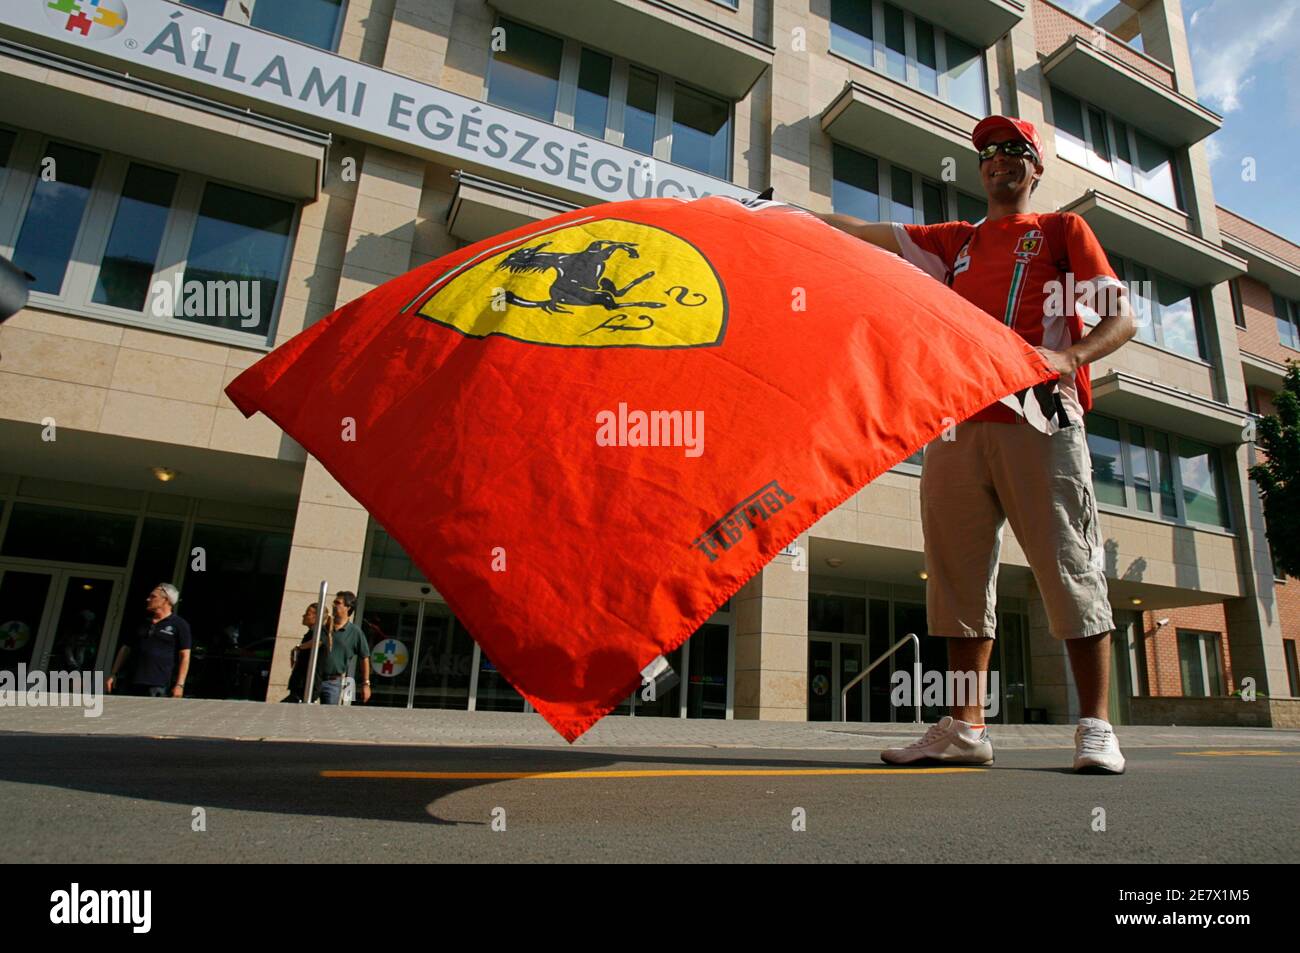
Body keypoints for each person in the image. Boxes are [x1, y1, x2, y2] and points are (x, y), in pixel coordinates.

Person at [810, 116, 1136, 773]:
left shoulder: (1061, 232)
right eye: (987, 151)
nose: (997, 159)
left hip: (1040, 417)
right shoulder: (957, 242)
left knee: (1068, 566)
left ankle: (1096, 725)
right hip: (959, 421)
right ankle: (964, 727)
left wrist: (1071, 355)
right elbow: (861, 233)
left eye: (1013, 149)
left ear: (1034, 167)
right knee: (956, 579)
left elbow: (1121, 315)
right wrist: (786, 216)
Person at [106, 583, 192, 698]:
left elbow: (185, 656)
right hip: (130, 682)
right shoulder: (140, 622)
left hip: (158, 685)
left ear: (165, 600)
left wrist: (180, 685)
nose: (148, 599)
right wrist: (113, 674)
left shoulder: (180, 624)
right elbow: (126, 648)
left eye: (153, 596)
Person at [315, 590, 371, 705]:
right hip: (314, 678)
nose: (333, 605)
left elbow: (364, 658)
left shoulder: (355, 632)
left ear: (348, 607)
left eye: (338, 603)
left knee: (328, 717)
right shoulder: (324, 626)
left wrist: (365, 684)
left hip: (333, 683)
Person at [283, 600, 330, 703]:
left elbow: (318, 641)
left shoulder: (320, 632)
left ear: (316, 617)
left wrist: (299, 647)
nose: (303, 616)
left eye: (307, 614)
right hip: (300, 685)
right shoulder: (311, 633)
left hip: (307, 687)